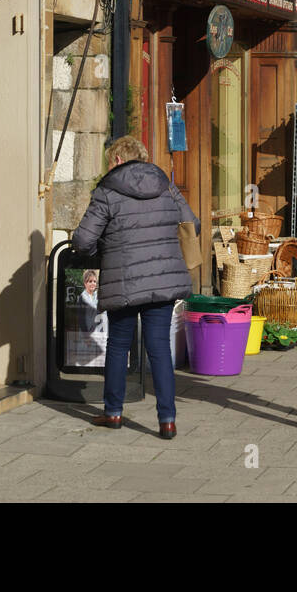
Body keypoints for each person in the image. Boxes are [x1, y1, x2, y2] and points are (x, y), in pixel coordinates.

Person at [72, 135, 200, 440]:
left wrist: (102, 250)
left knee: (118, 344)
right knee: (158, 347)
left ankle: (113, 412)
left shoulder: (107, 190)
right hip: (163, 278)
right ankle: (167, 420)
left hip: (124, 280)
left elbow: (83, 240)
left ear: (117, 160)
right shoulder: (166, 185)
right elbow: (191, 224)